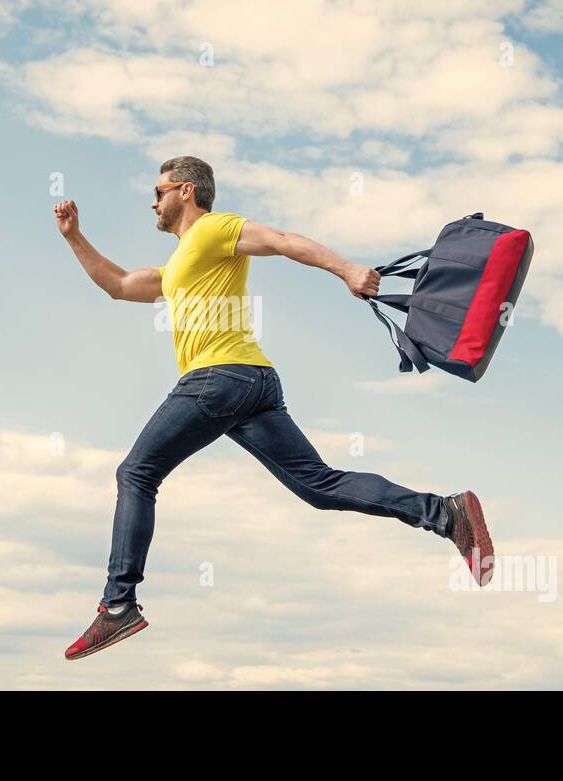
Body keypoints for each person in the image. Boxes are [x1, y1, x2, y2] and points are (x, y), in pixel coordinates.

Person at [58, 156, 494, 661]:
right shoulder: (180, 264)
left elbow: (284, 241)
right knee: (320, 486)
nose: (152, 202)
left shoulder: (214, 230)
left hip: (217, 379)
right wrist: (74, 237)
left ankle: (118, 606)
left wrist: (347, 269)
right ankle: (445, 513)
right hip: (252, 385)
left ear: (184, 191)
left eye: (158, 192)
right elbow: (118, 285)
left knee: (136, 473)